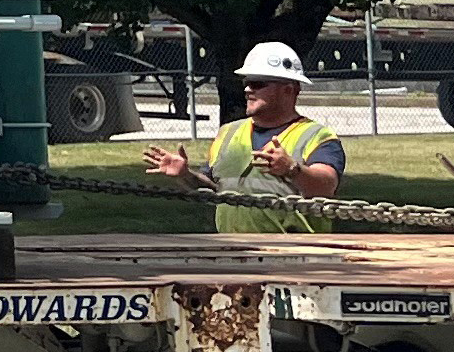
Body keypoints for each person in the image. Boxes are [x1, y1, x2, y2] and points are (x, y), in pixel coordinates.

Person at [142, 38, 347, 229]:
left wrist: (291, 169)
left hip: (295, 256)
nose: (248, 89)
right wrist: (186, 175)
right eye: (246, 82)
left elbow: (326, 187)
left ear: (289, 89)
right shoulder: (228, 133)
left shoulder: (317, 136)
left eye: (258, 83)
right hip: (234, 255)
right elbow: (214, 189)